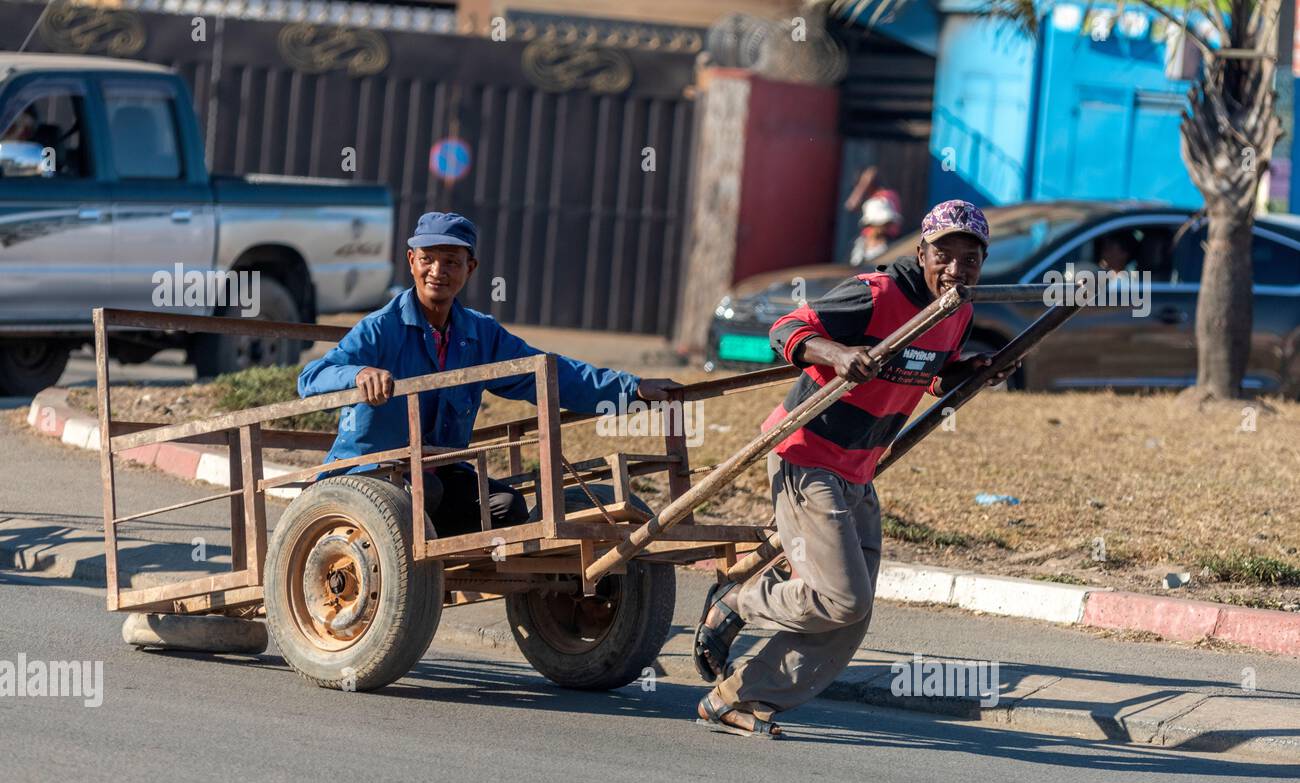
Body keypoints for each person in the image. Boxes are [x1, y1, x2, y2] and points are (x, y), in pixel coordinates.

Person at [692, 200, 1016, 738]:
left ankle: (736, 697)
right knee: (841, 598)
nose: (957, 269)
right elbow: (787, 330)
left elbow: (932, 374)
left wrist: (974, 371)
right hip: (806, 455)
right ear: (921, 252)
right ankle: (741, 598)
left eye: (970, 258)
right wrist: (837, 353)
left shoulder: (956, 310)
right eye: (945, 254)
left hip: (859, 469)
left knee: (852, 614)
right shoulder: (875, 293)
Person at [298, 212, 677, 536]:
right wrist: (359, 373)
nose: (437, 272)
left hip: (436, 471)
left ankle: (446, 571)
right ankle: (410, 580)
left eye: (451, 261)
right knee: (421, 492)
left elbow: (549, 373)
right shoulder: (381, 328)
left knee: (506, 506)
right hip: (368, 476)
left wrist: (633, 389)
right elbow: (311, 378)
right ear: (411, 260)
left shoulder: (479, 335)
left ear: (470, 268)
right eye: (428, 259)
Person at [844, 165, 903, 265]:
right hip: (868, 243)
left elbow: (893, 228)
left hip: (885, 243)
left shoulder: (886, 196)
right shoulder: (869, 200)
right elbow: (850, 206)